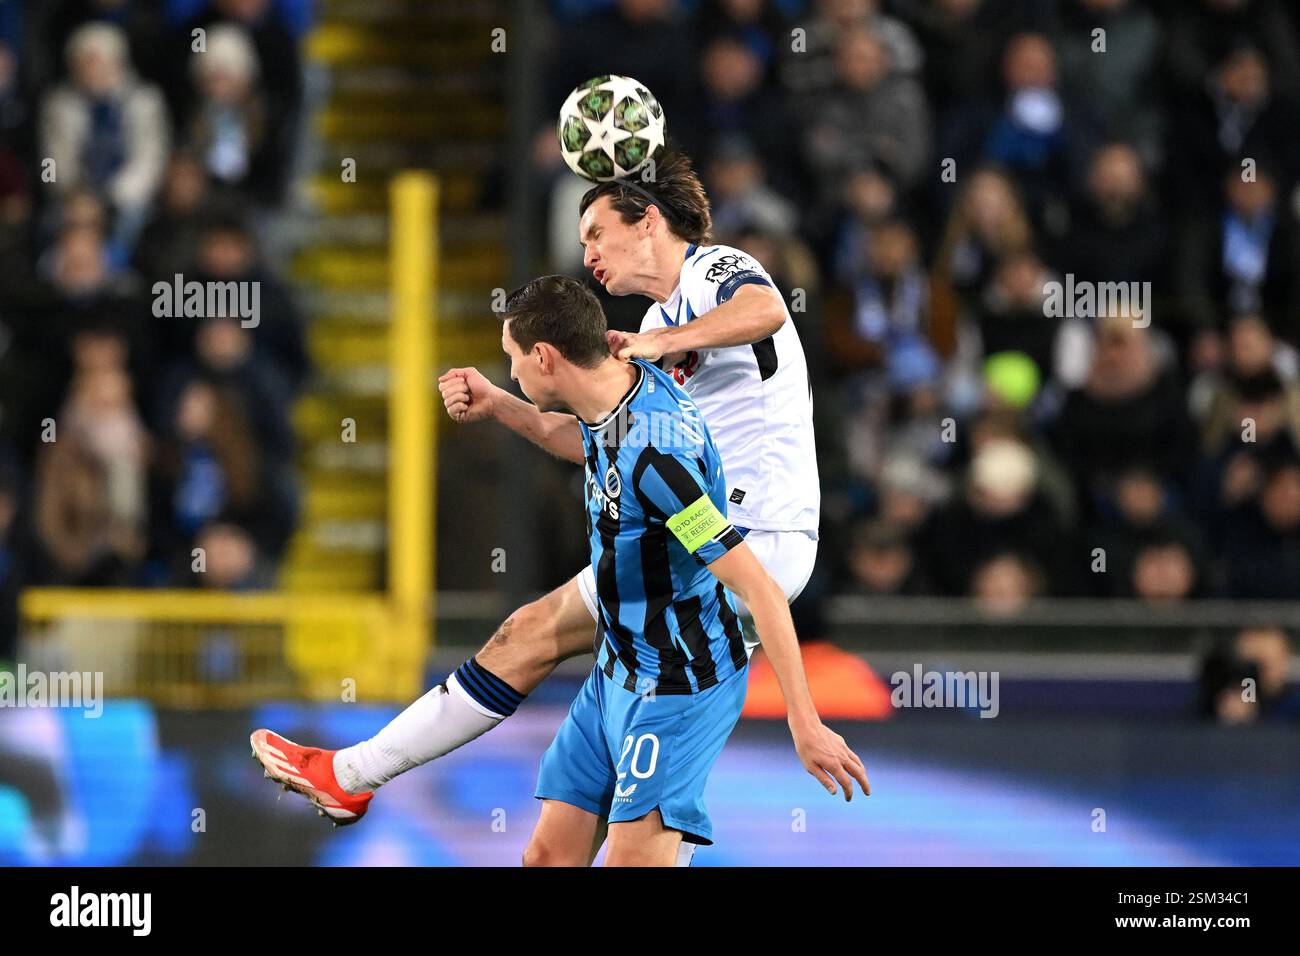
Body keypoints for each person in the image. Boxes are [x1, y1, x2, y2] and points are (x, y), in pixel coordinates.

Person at [247, 150, 832, 849]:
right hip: (686, 554)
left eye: (593, 232)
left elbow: (766, 310)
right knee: (527, 640)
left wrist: (804, 718)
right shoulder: (650, 358)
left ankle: (363, 772)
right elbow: (593, 441)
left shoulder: (711, 274)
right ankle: (351, 773)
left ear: (646, 223)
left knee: (636, 799)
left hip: (753, 536)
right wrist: (500, 403)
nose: (586, 251)